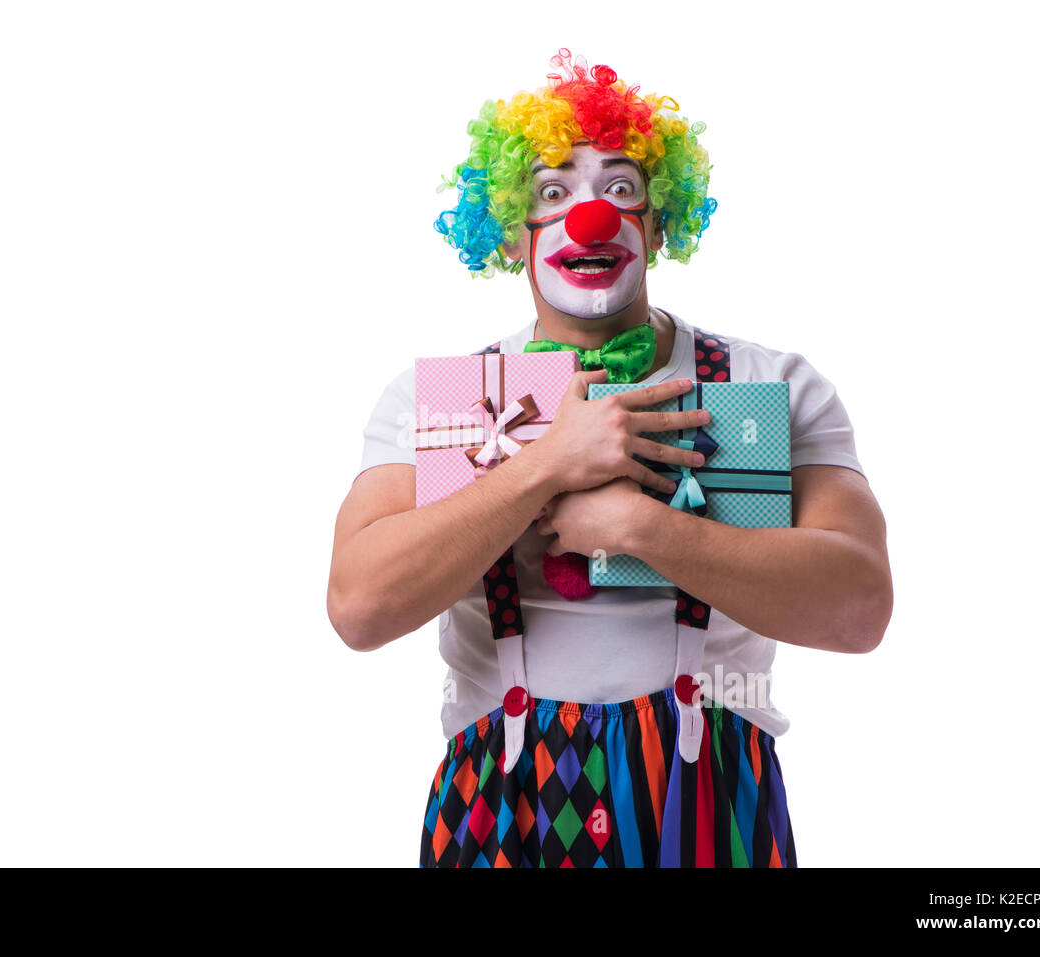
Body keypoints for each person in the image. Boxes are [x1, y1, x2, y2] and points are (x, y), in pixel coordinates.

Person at [327, 49, 891, 867]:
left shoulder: (775, 383)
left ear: (660, 221)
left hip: (711, 788)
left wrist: (639, 526)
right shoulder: (436, 402)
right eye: (553, 194)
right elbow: (358, 606)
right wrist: (541, 469)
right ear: (514, 231)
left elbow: (860, 608)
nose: (588, 216)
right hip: (500, 795)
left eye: (621, 189)